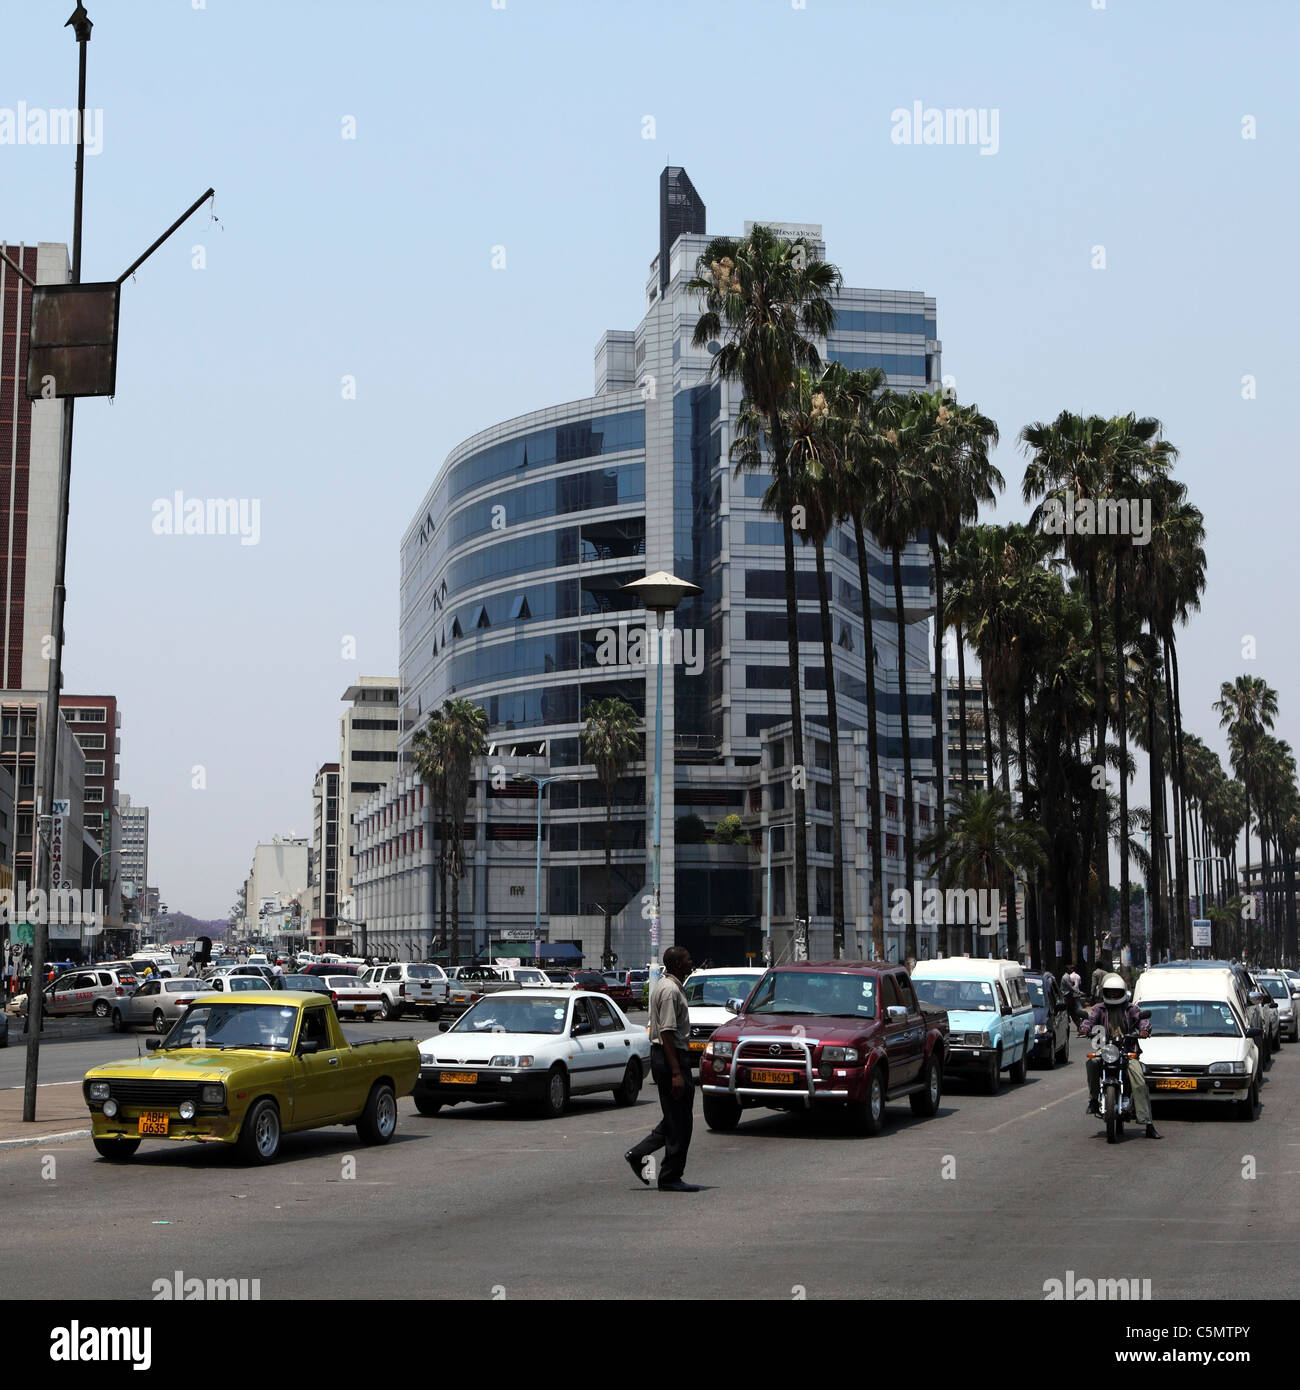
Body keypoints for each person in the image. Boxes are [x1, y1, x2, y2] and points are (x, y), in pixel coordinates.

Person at [624, 945, 699, 1192]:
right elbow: (667, 1032)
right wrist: (676, 1072)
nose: (691, 962)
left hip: (670, 1057)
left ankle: (639, 1153)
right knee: (681, 1121)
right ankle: (670, 1177)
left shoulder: (671, 987)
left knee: (677, 1117)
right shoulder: (669, 991)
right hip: (670, 1057)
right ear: (678, 964)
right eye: (688, 959)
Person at [1079, 973, 1160, 1139]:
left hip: (1127, 1051)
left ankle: (1148, 1123)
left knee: (1139, 1081)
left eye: (1117, 991)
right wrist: (1085, 1028)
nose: (1114, 994)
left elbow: (1142, 1020)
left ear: (1123, 991)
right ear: (1105, 992)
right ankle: (1094, 1100)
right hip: (1105, 1049)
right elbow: (1090, 1020)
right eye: (1110, 991)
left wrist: (1144, 1030)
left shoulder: (1132, 1009)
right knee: (1092, 1062)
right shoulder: (1098, 1008)